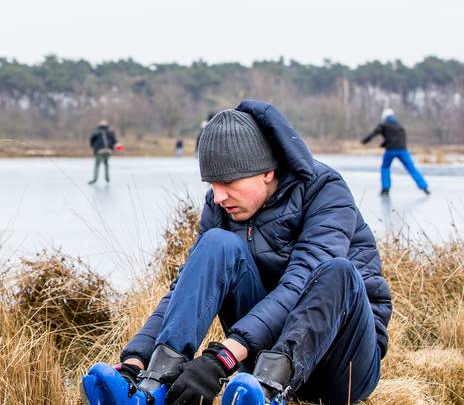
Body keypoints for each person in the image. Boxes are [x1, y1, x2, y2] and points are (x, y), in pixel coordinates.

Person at [81, 101, 390, 405]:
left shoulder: (325, 192)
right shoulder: (219, 206)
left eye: (227, 182)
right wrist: (136, 361)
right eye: (212, 184)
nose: (218, 196)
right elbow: (186, 289)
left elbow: (299, 285)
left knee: (337, 271)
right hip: (261, 350)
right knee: (216, 243)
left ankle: (269, 393)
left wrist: (221, 359)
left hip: (343, 360)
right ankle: (152, 390)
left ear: (267, 172)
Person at [362, 107, 430, 196]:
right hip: (403, 150)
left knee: (385, 168)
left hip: (390, 150)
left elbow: (374, 133)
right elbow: (400, 138)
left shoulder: (383, 125)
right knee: (411, 168)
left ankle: (385, 188)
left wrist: (365, 141)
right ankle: (424, 187)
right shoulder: (399, 126)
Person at [87, 120, 117, 184]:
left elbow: (92, 141)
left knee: (97, 164)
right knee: (106, 163)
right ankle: (107, 178)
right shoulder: (110, 131)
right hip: (108, 150)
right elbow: (115, 141)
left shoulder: (96, 132)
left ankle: (95, 179)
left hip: (99, 150)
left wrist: (93, 148)